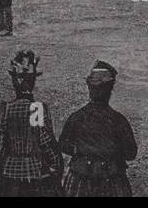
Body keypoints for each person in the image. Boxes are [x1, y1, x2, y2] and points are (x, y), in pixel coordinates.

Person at [58, 61, 137, 197]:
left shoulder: (77, 117)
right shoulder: (118, 120)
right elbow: (131, 153)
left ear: (89, 87)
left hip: (80, 180)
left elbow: (63, 145)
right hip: (112, 181)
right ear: (110, 89)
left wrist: (82, 150)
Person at [0, 50, 61, 196]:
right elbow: (45, 142)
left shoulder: (7, 109)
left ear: (14, 81)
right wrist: (56, 166)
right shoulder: (36, 109)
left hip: (9, 174)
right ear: (33, 81)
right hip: (34, 172)